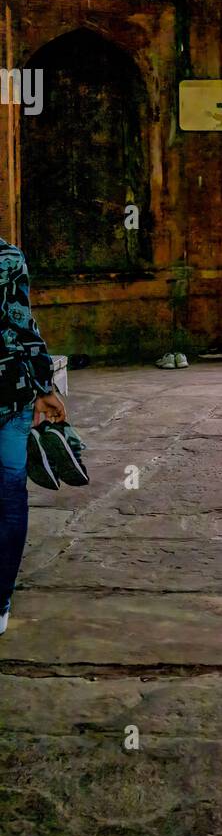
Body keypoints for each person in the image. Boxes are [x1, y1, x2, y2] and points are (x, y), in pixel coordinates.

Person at [0, 236, 67, 635]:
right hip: (10, 391)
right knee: (8, 494)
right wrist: (44, 386)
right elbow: (22, 323)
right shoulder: (7, 256)